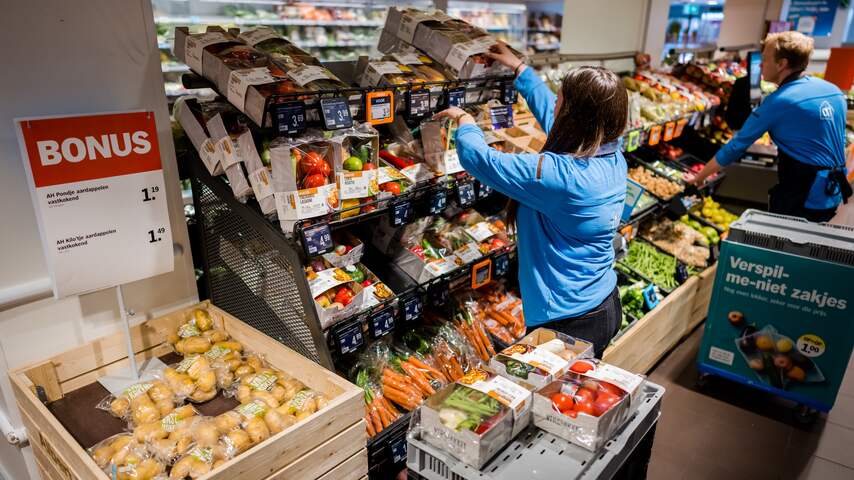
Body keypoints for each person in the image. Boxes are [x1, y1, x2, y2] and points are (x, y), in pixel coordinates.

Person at [434, 43, 628, 357]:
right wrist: (520, 71)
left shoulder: (558, 175)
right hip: (603, 302)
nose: (555, 104)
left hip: (567, 324)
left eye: (561, 98)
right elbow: (558, 122)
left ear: (572, 114)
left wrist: (465, 122)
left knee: (553, 404)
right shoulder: (611, 153)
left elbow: (479, 159)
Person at [688, 31, 852, 222]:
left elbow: (736, 146)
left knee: (787, 245)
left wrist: (698, 178)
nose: (760, 64)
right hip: (833, 190)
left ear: (782, 64)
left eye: (764, 59)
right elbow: (837, 140)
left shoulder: (779, 101)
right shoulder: (832, 90)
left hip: (803, 194)